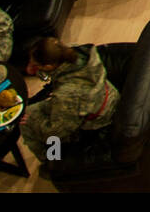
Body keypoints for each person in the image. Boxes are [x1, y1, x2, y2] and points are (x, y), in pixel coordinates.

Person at [20, 37, 119, 165]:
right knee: (32, 110)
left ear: (48, 66)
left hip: (96, 124)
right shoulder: (76, 52)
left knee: (27, 121)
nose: (29, 69)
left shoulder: (67, 94)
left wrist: (32, 120)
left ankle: (51, 159)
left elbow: (56, 132)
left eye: (35, 65)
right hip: (105, 97)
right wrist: (36, 70)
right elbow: (56, 75)